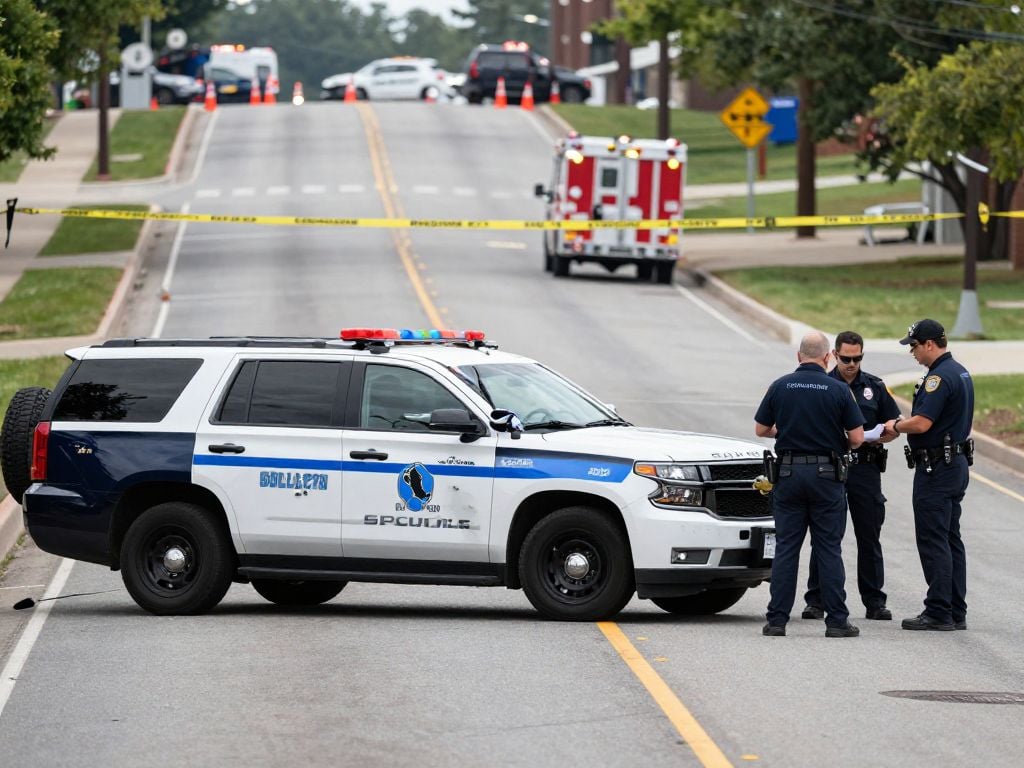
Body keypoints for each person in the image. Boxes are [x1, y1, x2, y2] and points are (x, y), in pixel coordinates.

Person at [755, 331, 865, 638]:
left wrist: (787, 431)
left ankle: (776, 621)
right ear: (828, 357)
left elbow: (761, 428)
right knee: (828, 548)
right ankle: (837, 621)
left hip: (788, 475)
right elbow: (856, 439)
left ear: (799, 356)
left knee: (787, 548)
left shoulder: (780, 386)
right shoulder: (839, 389)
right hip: (826, 476)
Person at [802, 331, 901, 622]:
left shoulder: (875, 387)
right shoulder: (823, 384)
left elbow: (893, 424)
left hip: (865, 468)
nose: (851, 364)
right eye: (846, 358)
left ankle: (874, 601)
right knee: (826, 536)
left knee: (869, 535)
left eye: (857, 359)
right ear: (834, 355)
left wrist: (879, 436)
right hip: (831, 467)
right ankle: (816, 600)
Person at [883, 319, 974, 631]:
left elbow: (922, 423)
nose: (912, 352)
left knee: (934, 538)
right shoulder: (959, 371)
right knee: (950, 538)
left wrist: (895, 425)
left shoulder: (938, 378)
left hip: (937, 468)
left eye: (914, 345)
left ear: (930, 344)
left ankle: (938, 611)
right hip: (955, 464)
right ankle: (955, 609)